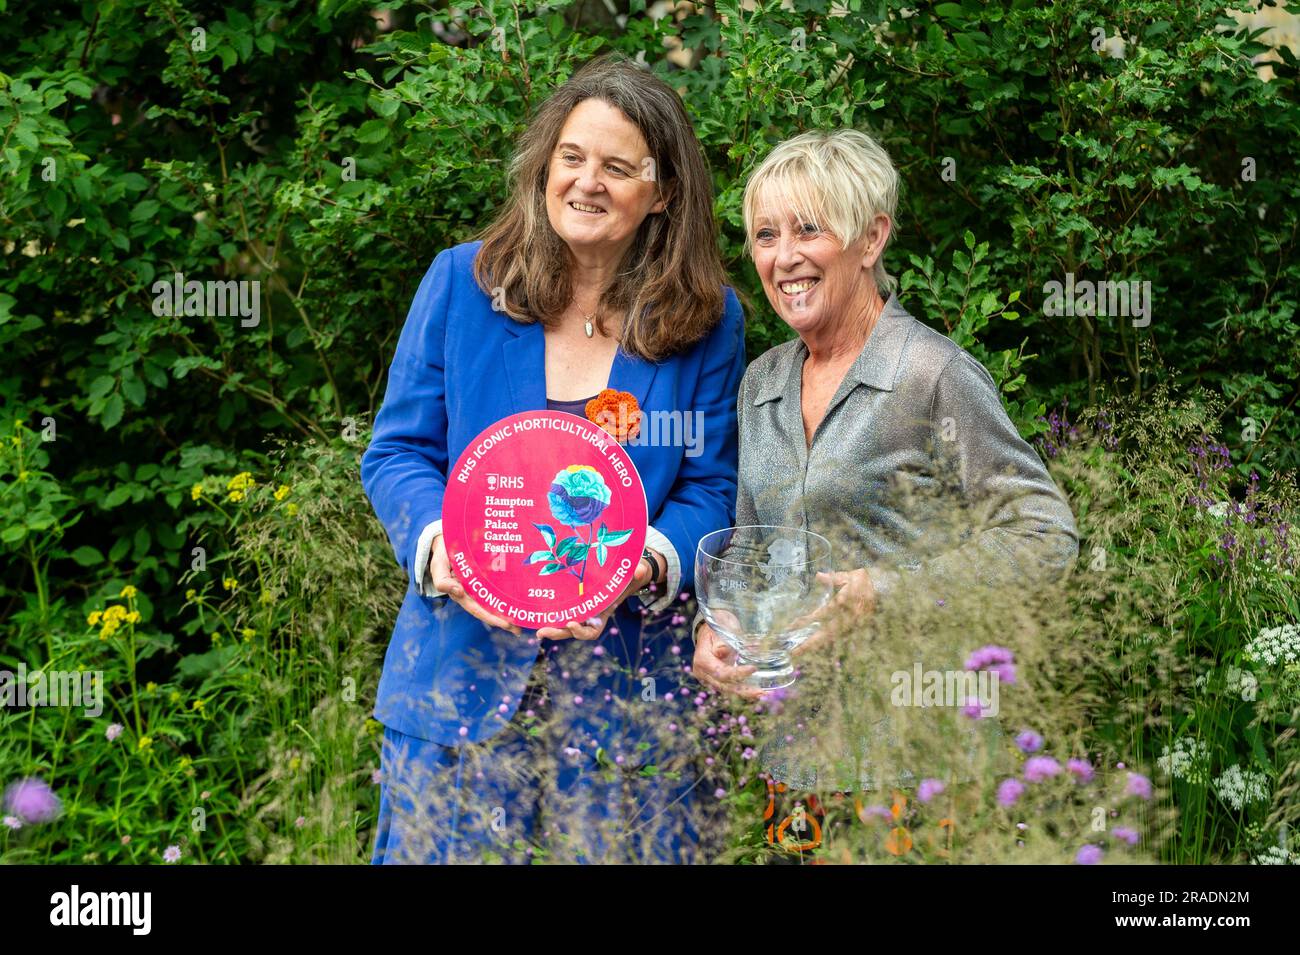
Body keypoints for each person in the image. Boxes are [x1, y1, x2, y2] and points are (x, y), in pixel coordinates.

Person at [362, 54, 745, 863]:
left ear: (663, 191)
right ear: (545, 167)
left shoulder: (706, 321)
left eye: (616, 166)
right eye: (571, 157)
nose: (586, 181)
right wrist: (446, 551)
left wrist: (638, 562)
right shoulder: (462, 285)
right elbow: (397, 452)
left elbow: (710, 485)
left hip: (625, 694)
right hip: (457, 671)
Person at [693, 128, 1078, 802]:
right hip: (796, 755)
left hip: (919, 761)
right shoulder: (761, 383)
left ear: (871, 239)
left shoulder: (933, 375)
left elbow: (1045, 535)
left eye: (808, 229)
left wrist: (890, 589)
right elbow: (747, 550)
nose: (784, 258)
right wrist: (716, 625)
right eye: (764, 235)